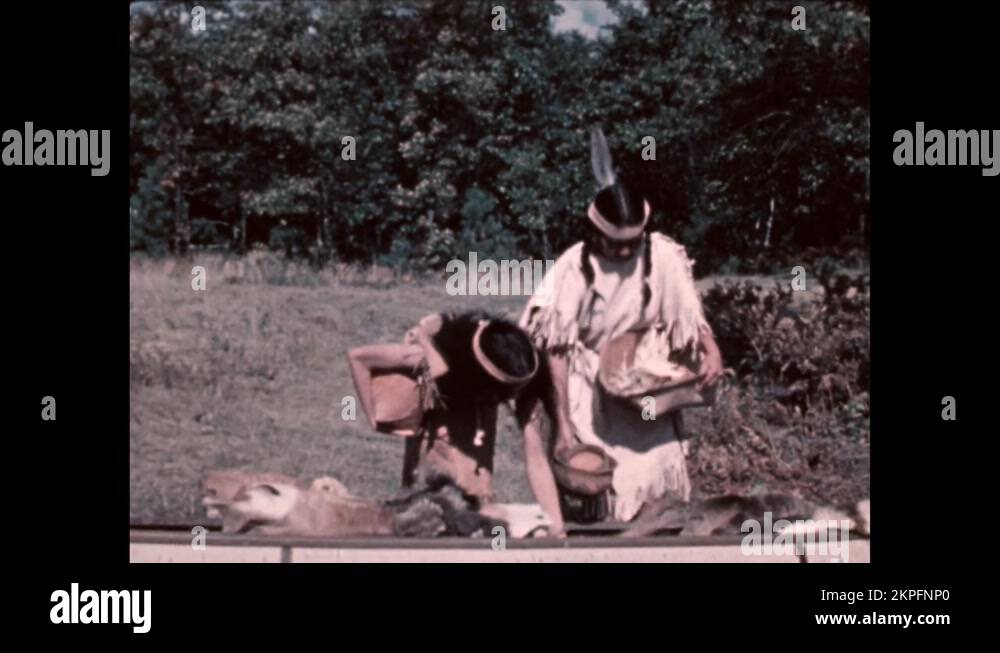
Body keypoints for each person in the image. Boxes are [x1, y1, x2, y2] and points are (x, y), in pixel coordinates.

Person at [519, 127, 724, 522]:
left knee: (655, 477)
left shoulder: (661, 255)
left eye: (634, 242)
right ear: (595, 232)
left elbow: (687, 314)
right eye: (616, 243)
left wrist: (711, 350)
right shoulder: (573, 267)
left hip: (645, 383)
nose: (626, 251)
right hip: (587, 389)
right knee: (600, 481)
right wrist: (563, 425)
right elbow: (555, 350)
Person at [347, 310, 567, 536]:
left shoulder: (525, 369)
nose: (499, 400)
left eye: (505, 394)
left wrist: (556, 524)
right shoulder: (436, 358)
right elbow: (359, 357)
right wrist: (373, 417)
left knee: (523, 523)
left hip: (478, 506)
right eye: (495, 393)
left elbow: (536, 456)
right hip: (430, 502)